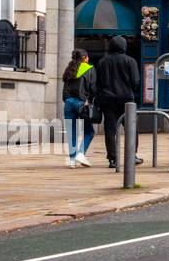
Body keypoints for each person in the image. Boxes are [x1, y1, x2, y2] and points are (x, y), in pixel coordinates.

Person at [95, 35, 142, 169]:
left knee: (110, 131)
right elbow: (135, 82)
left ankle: (113, 159)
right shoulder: (130, 61)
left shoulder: (102, 62)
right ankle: (132, 155)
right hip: (126, 100)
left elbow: (98, 83)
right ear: (124, 46)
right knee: (132, 128)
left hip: (107, 100)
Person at [61, 49, 97, 168]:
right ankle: (81, 153)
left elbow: (65, 89)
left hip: (68, 103)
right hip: (81, 104)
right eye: (87, 57)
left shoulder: (69, 69)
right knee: (90, 131)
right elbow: (92, 88)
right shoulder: (89, 69)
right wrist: (90, 101)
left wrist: (67, 100)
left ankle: (72, 160)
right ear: (85, 58)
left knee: (72, 133)